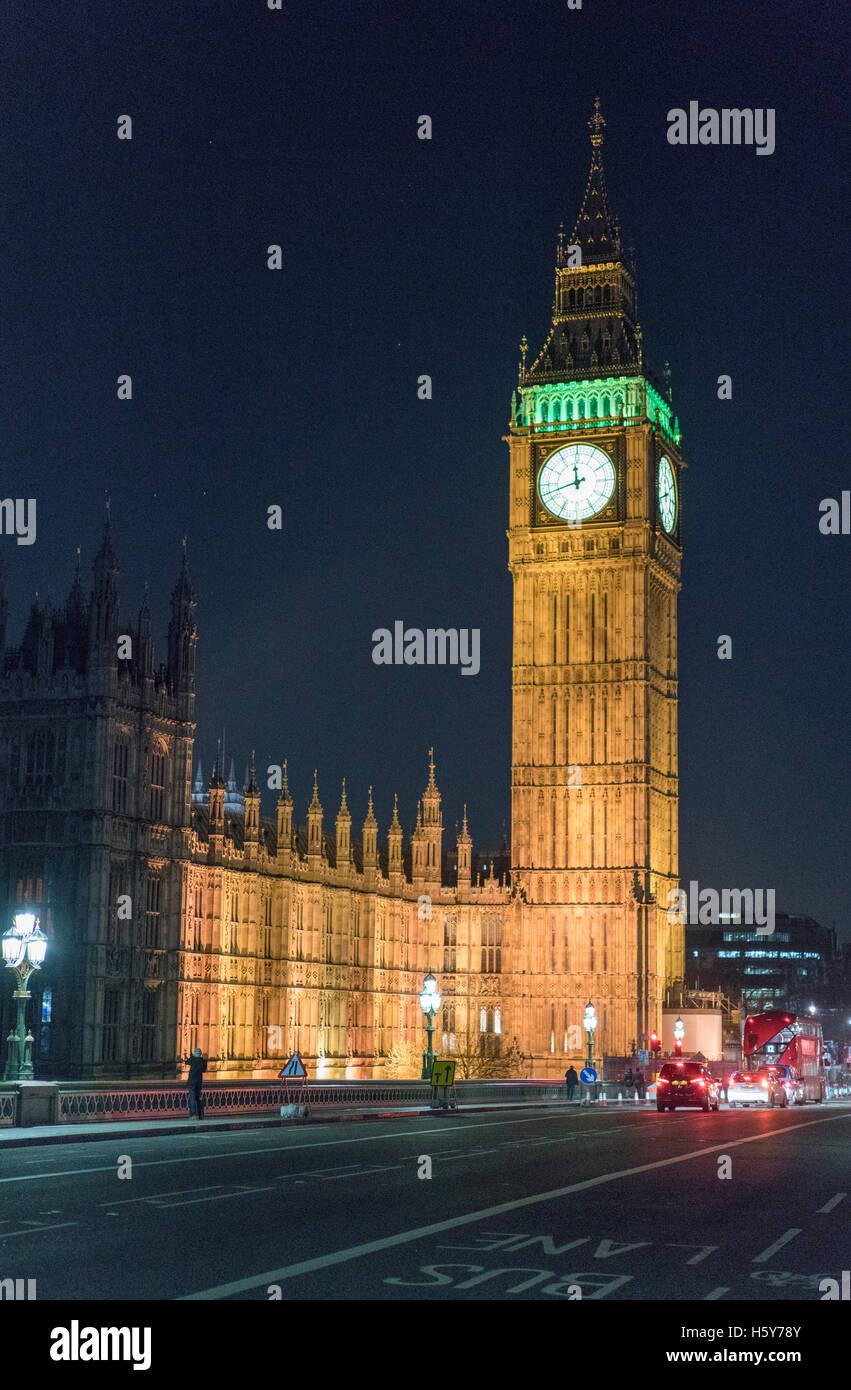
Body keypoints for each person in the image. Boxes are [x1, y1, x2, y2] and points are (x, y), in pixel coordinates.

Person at [185, 1046, 206, 1119]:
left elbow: (186, 1062)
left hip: (192, 1082)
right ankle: (200, 1114)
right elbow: (204, 1070)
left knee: (192, 1099)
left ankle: (193, 1114)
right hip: (199, 1083)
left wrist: (192, 1056)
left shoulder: (193, 1060)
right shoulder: (203, 1061)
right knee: (198, 1099)